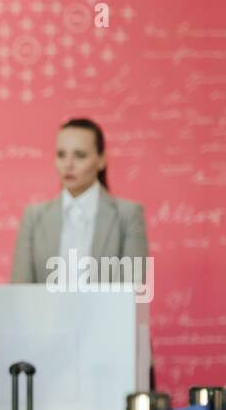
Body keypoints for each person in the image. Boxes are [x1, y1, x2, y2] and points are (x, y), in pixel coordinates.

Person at [10, 118, 148, 285]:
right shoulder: (33, 216)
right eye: (61, 154)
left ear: (101, 160)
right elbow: (20, 292)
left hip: (108, 312)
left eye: (80, 155)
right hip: (45, 312)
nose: (68, 164)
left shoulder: (128, 215)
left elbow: (132, 294)